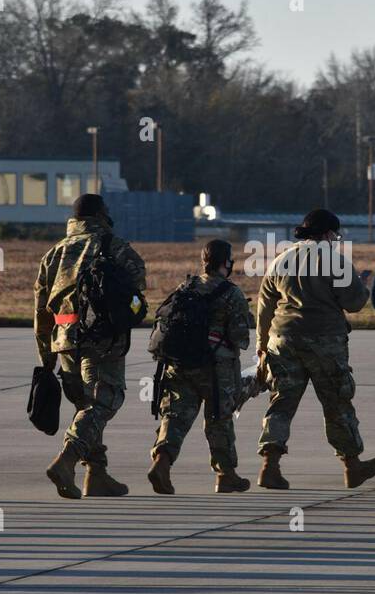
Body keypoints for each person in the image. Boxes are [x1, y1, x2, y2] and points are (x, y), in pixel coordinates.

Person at [255, 209, 375, 489]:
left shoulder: (281, 259)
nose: (337, 239)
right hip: (325, 341)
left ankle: (269, 465)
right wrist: (363, 284)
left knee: (281, 403)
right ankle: (352, 466)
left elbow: (264, 308)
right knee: (337, 403)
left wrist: (262, 348)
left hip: (283, 339)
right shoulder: (334, 261)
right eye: (335, 235)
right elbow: (355, 303)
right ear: (326, 233)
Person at [35, 193, 146, 498]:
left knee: (86, 406)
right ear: (100, 215)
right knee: (105, 401)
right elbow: (137, 287)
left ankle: (96, 474)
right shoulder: (114, 246)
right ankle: (66, 460)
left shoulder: (54, 253)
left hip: (63, 339)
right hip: (100, 338)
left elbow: (41, 309)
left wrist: (46, 356)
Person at [148, 239, 253, 494]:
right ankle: (225, 474)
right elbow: (241, 339)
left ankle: (162, 463)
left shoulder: (185, 286)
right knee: (219, 419)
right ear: (226, 263)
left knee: (175, 416)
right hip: (216, 370)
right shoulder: (231, 293)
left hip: (180, 364)